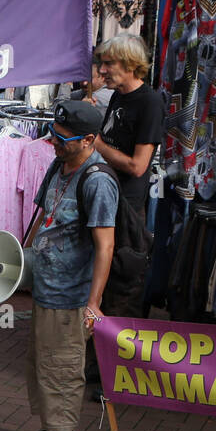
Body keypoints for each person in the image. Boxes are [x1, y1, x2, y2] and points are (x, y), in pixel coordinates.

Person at [13, 99, 117, 431]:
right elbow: (43, 215)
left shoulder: (98, 180)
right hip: (46, 285)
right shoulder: (60, 163)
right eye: (53, 134)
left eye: (62, 138)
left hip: (71, 295)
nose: (53, 142)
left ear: (89, 140)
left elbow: (106, 246)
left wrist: (94, 304)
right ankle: (50, 429)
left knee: (63, 368)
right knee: (42, 363)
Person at [90, 33, 162, 325]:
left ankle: (118, 362)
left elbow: (137, 165)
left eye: (109, 63)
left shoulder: (150, 102)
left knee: (123, 288)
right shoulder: (119, 96)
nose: (102, 70)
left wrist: (96, 145)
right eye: (101, 64)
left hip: (128, 211)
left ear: (131, 64)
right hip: (105, 200)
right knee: (103, 282)